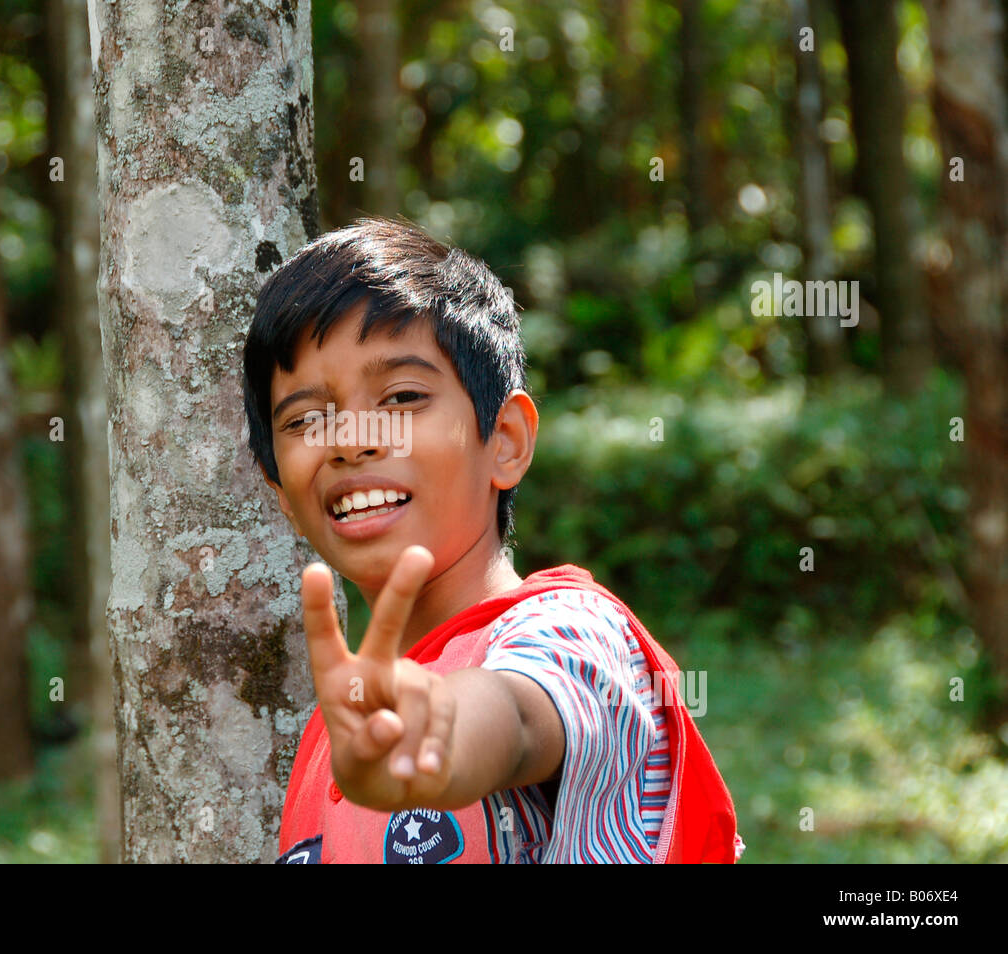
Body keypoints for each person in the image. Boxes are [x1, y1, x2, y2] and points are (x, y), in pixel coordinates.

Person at [240, 216, 743, 863]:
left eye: (400, 396)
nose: (352, 439)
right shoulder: (341, 736)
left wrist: (441, 739)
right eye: (308, 418)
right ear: (280, 489)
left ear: (504, 441)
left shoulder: (568, 629)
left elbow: (513, 716)